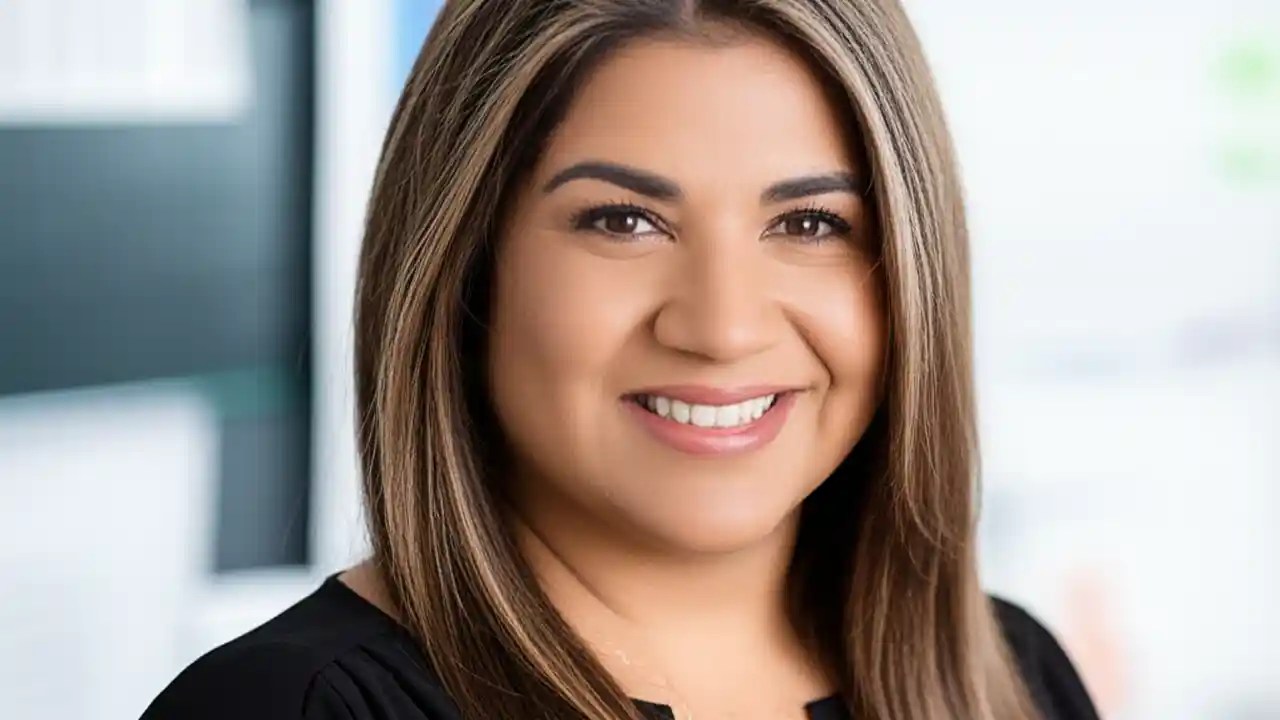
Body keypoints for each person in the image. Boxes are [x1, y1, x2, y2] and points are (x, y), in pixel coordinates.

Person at [142, 1, 1101, 718]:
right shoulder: (287, 709)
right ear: (465, 267)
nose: (722, 328)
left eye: (809, 223)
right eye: (624, 221)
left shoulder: (1012, 678)